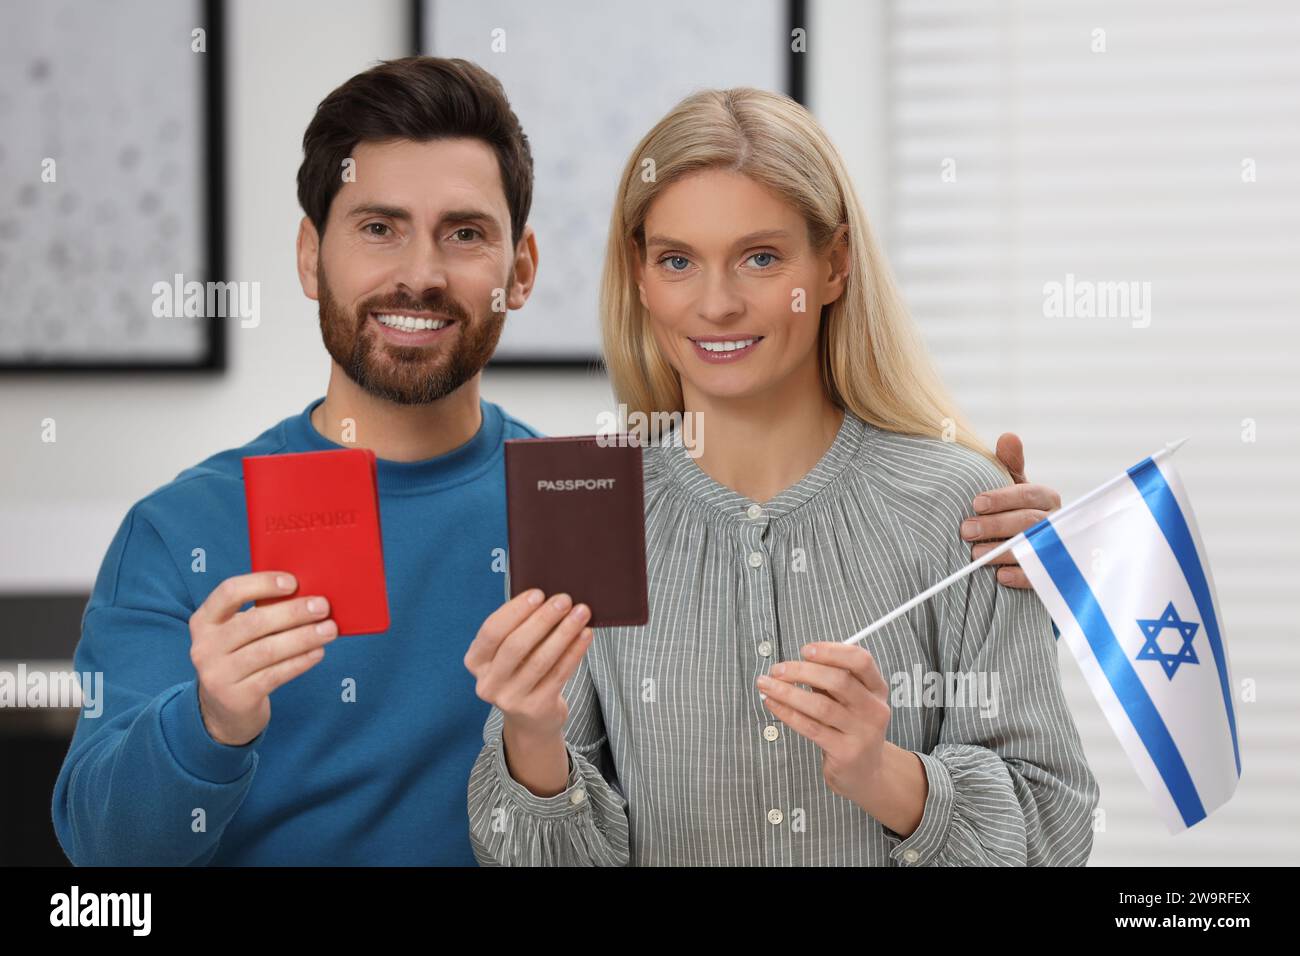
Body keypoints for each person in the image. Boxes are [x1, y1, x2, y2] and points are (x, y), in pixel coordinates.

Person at [51, 58, 1060, 865]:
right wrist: (211, 718)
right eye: (377, 229)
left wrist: (996, 548)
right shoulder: (186, 528)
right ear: (313, 256)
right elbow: (100, 857)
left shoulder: (594, 499)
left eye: (464, 234)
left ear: (520, 270)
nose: (419, 271)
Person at [464, 87, 1098, 866]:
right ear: (639, 275)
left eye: (760, 258)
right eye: (677, 261)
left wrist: (883, 773)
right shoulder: (582, 510)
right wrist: (532, 734)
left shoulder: (964, 507)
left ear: (832, 265)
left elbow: (1057, 830)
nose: (718, 303)